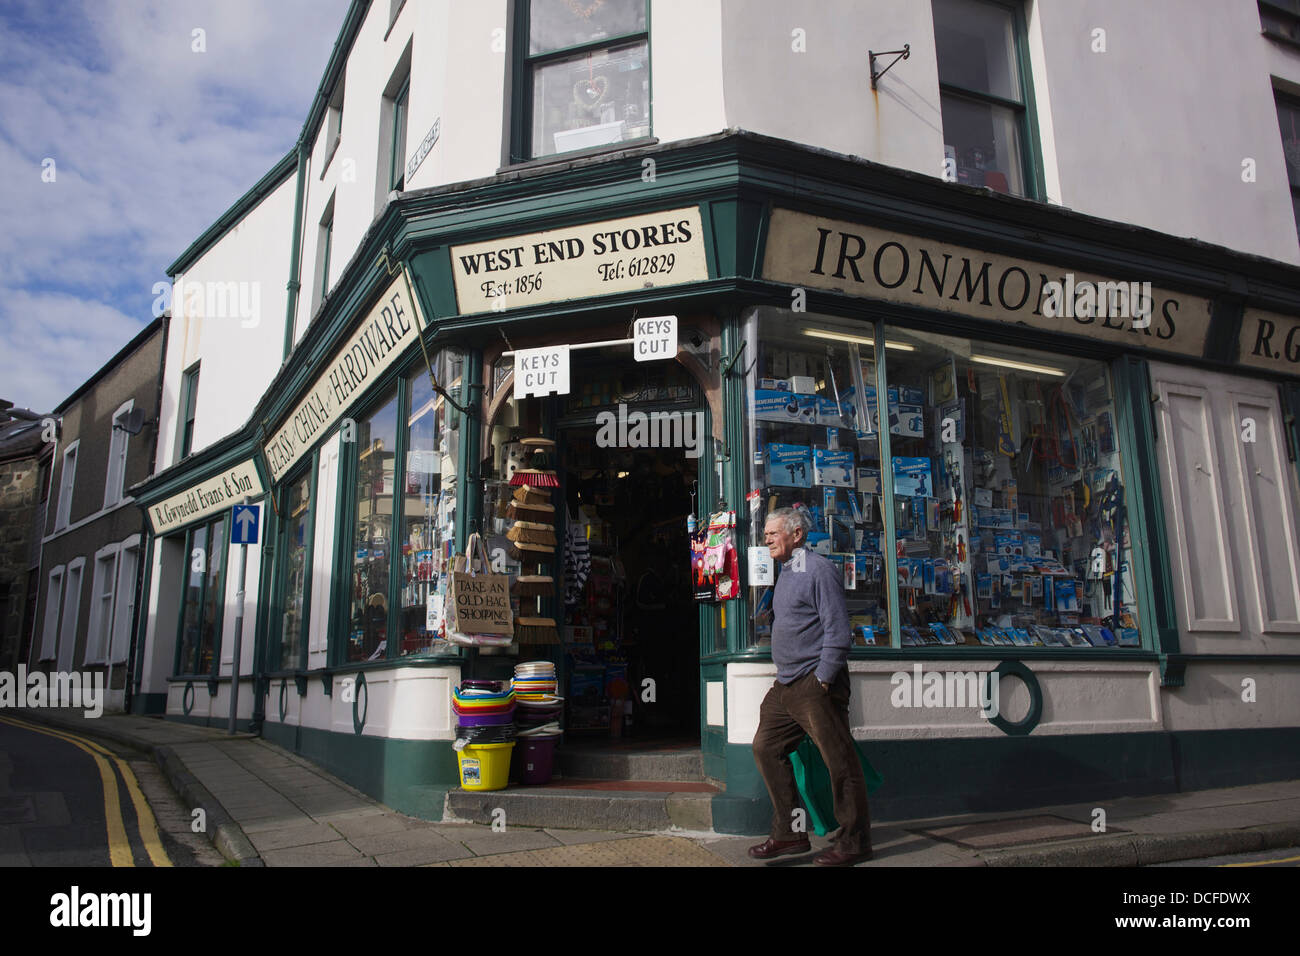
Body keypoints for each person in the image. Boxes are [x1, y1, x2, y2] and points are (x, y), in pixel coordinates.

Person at [749, 506, 872, 866]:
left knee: (840, 762)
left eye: (774, 533)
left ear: (797, 535)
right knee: (765, 747)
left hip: (813, 684)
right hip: (785, 685)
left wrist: (822, 678)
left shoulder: (818, 569)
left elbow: (838, 631)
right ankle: (789, 835)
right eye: (766, 533)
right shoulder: (788, 571)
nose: (767, 538)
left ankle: (854, 842)